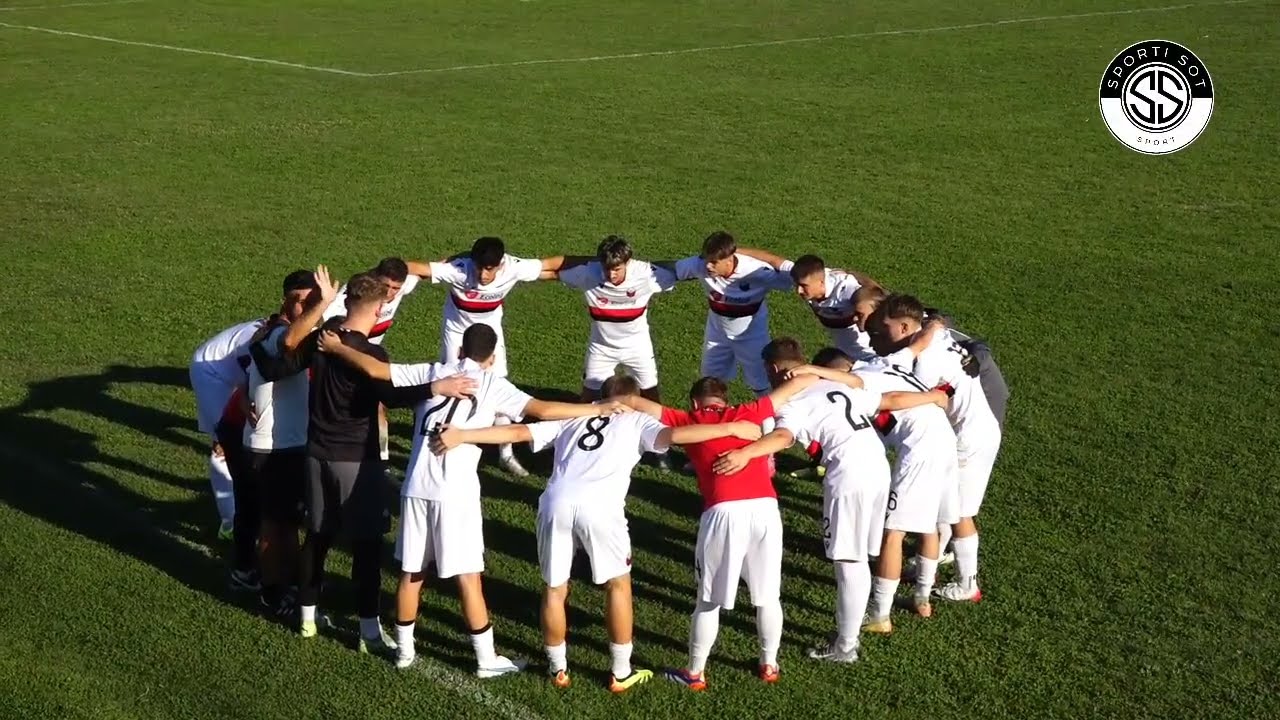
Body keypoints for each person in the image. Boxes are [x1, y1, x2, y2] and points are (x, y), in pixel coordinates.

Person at [317, 323, 631, 678]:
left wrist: (337, 347)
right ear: (492, 357)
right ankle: (485, 659)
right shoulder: (494, 385)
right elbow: (542, 410)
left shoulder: (434, 371)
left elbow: (376, 369)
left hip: (417, 486)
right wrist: (596, 409)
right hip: (456, 492)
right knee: (468, 577)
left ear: (461, 351)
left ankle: (404, 652)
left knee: (411, 573)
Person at [430, 375, 762, 693]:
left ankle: (557, 668)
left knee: (554, 588)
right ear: (634, 399)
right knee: (618, 584)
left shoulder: (575, 415)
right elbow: (675, 437)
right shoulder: (636, 419)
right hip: (601, 508)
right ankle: (621, 672)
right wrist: (732, 427)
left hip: (556, 501)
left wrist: (462, 435)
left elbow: (518, 433)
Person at [250, 268, 476, 653]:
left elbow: (282, 360)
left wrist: (262, 347)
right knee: (367, 547)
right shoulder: (370, 352)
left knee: (318, 536)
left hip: (316, 453)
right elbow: (390, 393)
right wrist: (437, 388)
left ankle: (307, 617)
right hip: (357, 459)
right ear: (381, 304)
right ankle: (369, 631)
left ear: (347, 299)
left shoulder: (325, 335)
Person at [713, 338, 946, 663]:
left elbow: (783, 437)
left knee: (848, 561)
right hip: (878, 467)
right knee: (859, 557)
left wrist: (744, 453)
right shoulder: (834, 383)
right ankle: (853, 632)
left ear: (775, 369)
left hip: (849, 476)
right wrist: (933, 397)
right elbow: (890, 399)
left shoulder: (791, 399)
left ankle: (845, 647)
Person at [613, 373, 824, 690]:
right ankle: (769, 664)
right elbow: (798, 384)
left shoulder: (685, 418)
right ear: (724, 400)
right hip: (766, 508)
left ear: (695, 402)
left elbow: (630, 402)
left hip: (723, 511)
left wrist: (599, 406)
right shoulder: (750, 411)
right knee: (768, 596)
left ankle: (695, 673)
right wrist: (821, 373)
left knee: (708, 600)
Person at [787, 348, 958, 630]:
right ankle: (922, 599)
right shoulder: (883, 361)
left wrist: (815, 372)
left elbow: (894, 399)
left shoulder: (863, 377)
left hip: (920, 450)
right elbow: (916, 344)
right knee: (927, 522)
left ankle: (879, 614)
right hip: (943, 438)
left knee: (893, 533)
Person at [869, 294, 1002, 603]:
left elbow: (913, 402)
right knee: (945, 504)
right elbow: (939, 325)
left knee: (959, 513)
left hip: (968, 437)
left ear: (904, 326)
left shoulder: (925, 362)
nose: (879, 334)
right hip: (971, 429)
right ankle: (929, 564)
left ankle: (968, 584)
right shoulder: (936, 334)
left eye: (883, 327)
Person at [420, 237, 567, 476]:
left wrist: (595, 267)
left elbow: (552, 264)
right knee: (453, 388)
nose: (483, 275)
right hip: (458, 335)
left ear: (500, 264)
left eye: (490, 269)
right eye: (479, 267)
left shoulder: (513, 267)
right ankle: (446, 441)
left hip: (490, 337)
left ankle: (505, 454)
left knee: (501, 393)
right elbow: (417, 268)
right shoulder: (458, 269)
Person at [242, 269, 323, 615]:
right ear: (284, 300)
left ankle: (286, 584)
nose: (304, 307)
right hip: (270, 449)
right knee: (275, 526)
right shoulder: (274, 333)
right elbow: (288, 345)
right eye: (298, 300)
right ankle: (271, 592)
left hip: (291, 444)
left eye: (310, 301)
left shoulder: (283, 333)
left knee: (289, 522)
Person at [322, 257, 424, 466]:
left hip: (370, 355)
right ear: (376, 277)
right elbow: (321, 322)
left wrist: (465, 260)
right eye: (386, 285)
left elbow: (426, 270)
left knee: (380, 406)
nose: (390, 293)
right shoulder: (356, 296)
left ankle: (382, 458)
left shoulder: (400, 287)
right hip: (345, 357)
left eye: (396, 288)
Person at [670, 232, 794, 399]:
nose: (708, 266)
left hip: (751, 335)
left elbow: (797, 275)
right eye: (707, 260)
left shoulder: (758, 271)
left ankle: (771, 423)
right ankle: (714, 420)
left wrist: (829, 276)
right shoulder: (701, 264)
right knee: (710, 382)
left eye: (714, 262)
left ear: (729, 259)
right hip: (717, 332)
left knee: (762, 385)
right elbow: (670, 268)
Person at [190, 315, 268, 538]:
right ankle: (229, 523)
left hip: (232, 370)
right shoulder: (258, 343)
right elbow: (253, 388)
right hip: (211, 373)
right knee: (224, 444)